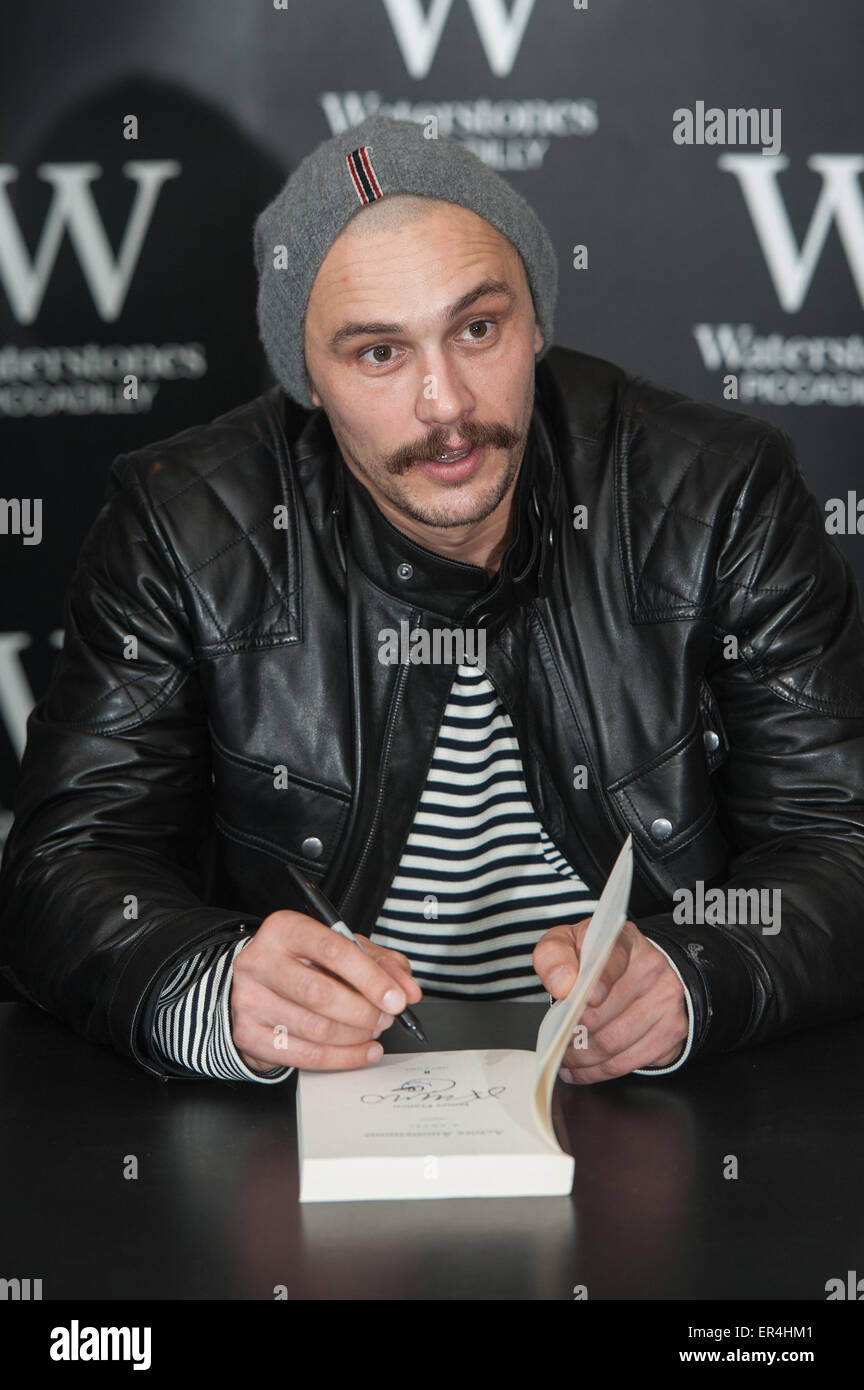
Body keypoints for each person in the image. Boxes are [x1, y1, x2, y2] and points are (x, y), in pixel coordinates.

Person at [2, 115, 863, 1089]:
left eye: (477, 328)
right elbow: (64, 867)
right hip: (310, 1133)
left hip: (656, 1118)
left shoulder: (718, 491)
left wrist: (694, 974)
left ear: (536, 321)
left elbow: (842, 838)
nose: (444, 403)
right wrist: (215, 986)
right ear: (306, 382)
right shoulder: (183, 524)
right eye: (378, 353)